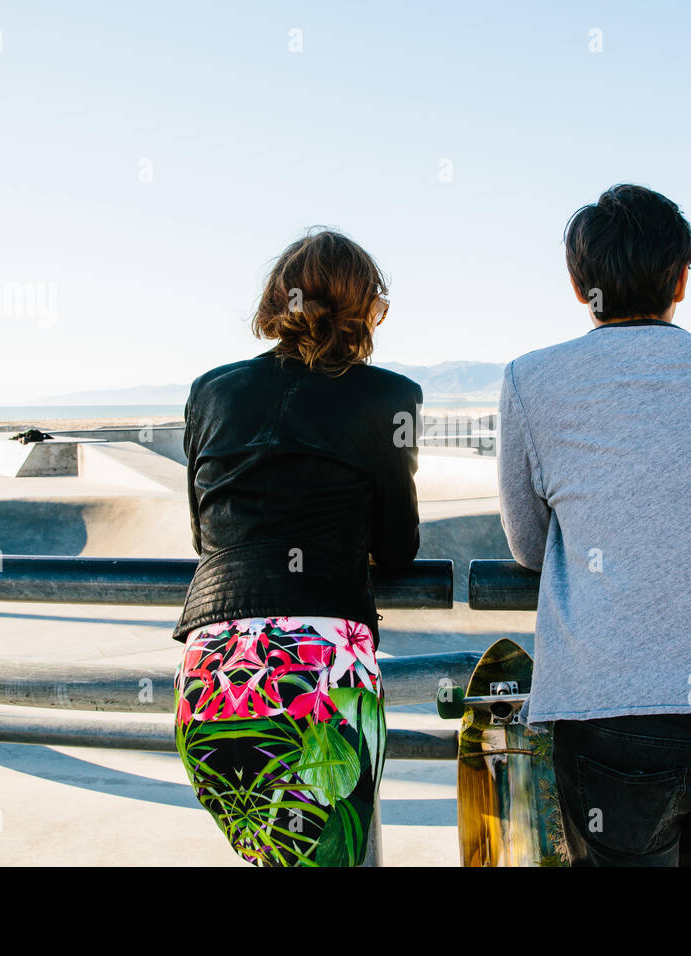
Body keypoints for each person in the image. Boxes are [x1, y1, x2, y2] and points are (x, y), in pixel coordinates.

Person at [498, 184, 691, 867]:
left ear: (577, 284)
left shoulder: (531, 380)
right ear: (682, 279)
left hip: (612, 713)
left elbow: (528, 548)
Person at [172, 229, 421, 867]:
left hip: (212, 682)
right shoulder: (390, 398)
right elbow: (398, 549)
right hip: (317, 681)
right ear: (366, 311)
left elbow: (206, 535)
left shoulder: (210, 390)